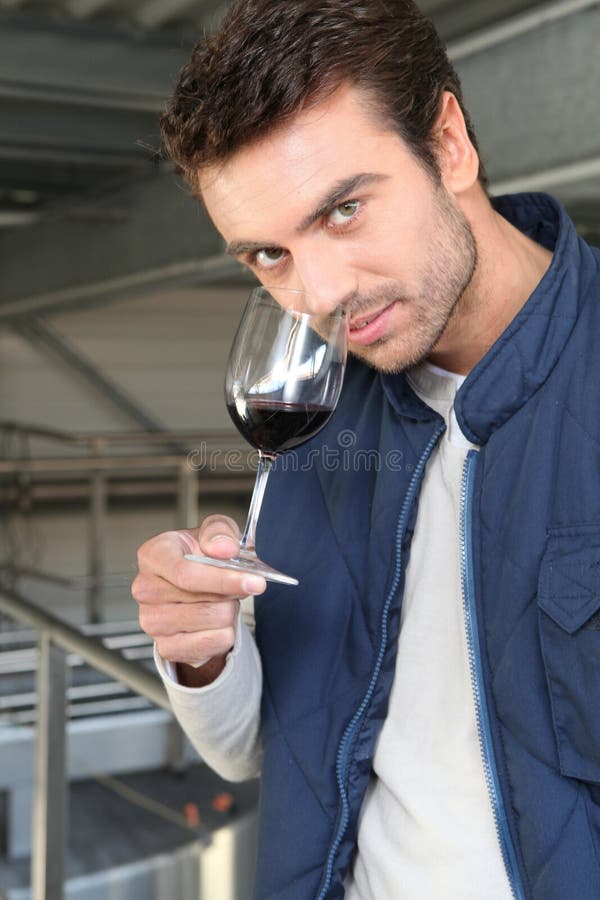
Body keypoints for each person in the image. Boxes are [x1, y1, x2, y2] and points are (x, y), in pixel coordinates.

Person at [132, 1, 600, 897]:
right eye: (268, 254)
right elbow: (253, 749)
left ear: (449, 144)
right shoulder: (312, 416)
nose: (319, 295)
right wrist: (200, 648)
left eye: (343, 209)